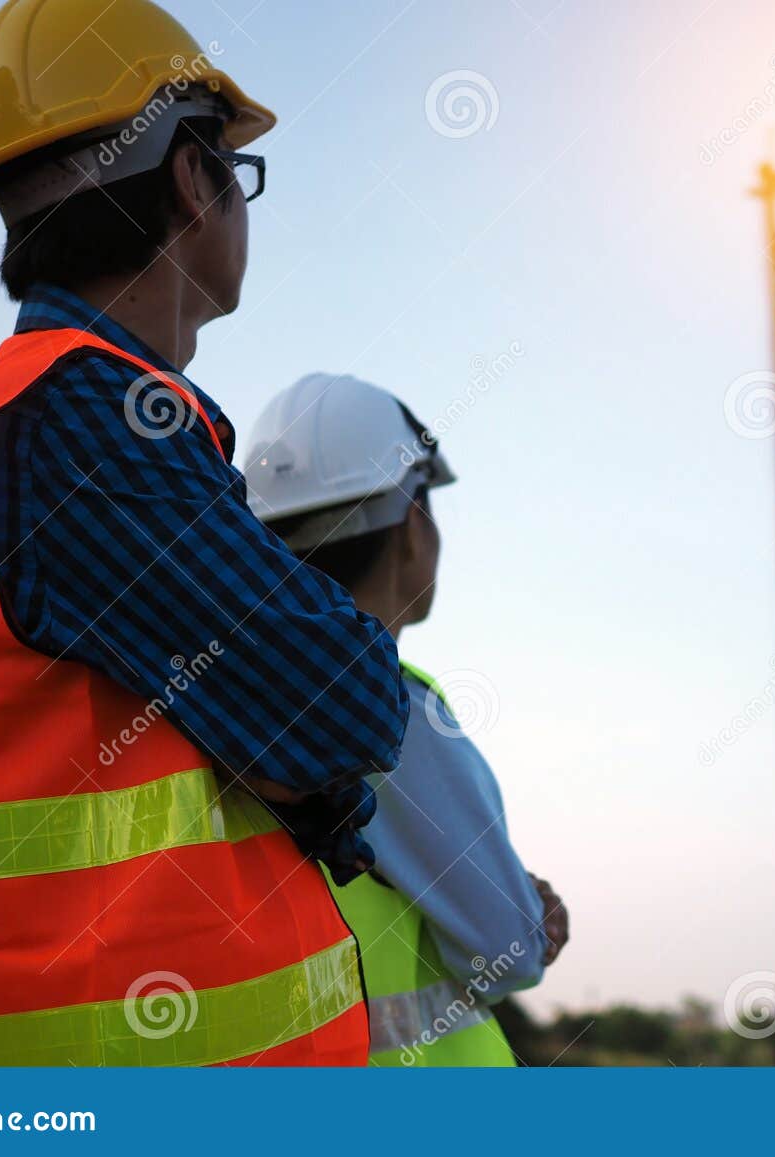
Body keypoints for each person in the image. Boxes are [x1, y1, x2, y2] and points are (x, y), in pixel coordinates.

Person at [0, 0, 405, 1066]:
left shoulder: (85, 415)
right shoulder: (73, 426)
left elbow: (295, 731)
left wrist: (287, 751)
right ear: (188, 176)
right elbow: (348, 704)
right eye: (236, 170)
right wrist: (294, 750)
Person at [244, 373, 569, 1065]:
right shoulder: (395, 710)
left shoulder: (228, 696)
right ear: (413, 523)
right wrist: (527, 914)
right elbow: (508, 949)